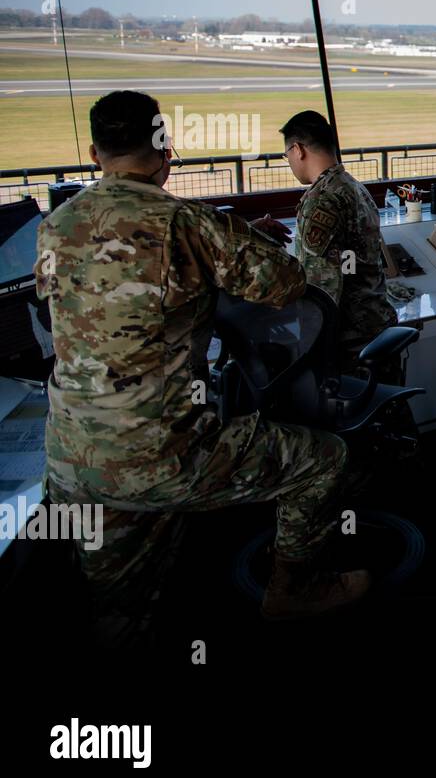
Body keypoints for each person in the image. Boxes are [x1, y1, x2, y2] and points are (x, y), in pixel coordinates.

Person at [36, 91, 368, 643]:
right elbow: (288, 283)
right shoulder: (190, 223)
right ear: (166, 148)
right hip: (164, 454)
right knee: (324, 460)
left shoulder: (56, 226)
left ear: (94, 154)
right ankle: (291, 589)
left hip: (73, 463)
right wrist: (235, 241)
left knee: (119, 610)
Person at [253, 110, 399, 379]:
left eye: (287, 155)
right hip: (376, 328)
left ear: (297, 150)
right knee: (387, 411)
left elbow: (319, 294)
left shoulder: (321, 200)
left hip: (349, 347)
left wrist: (304, 352)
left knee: (351, 416)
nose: (290, 162)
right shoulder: (354, 187)